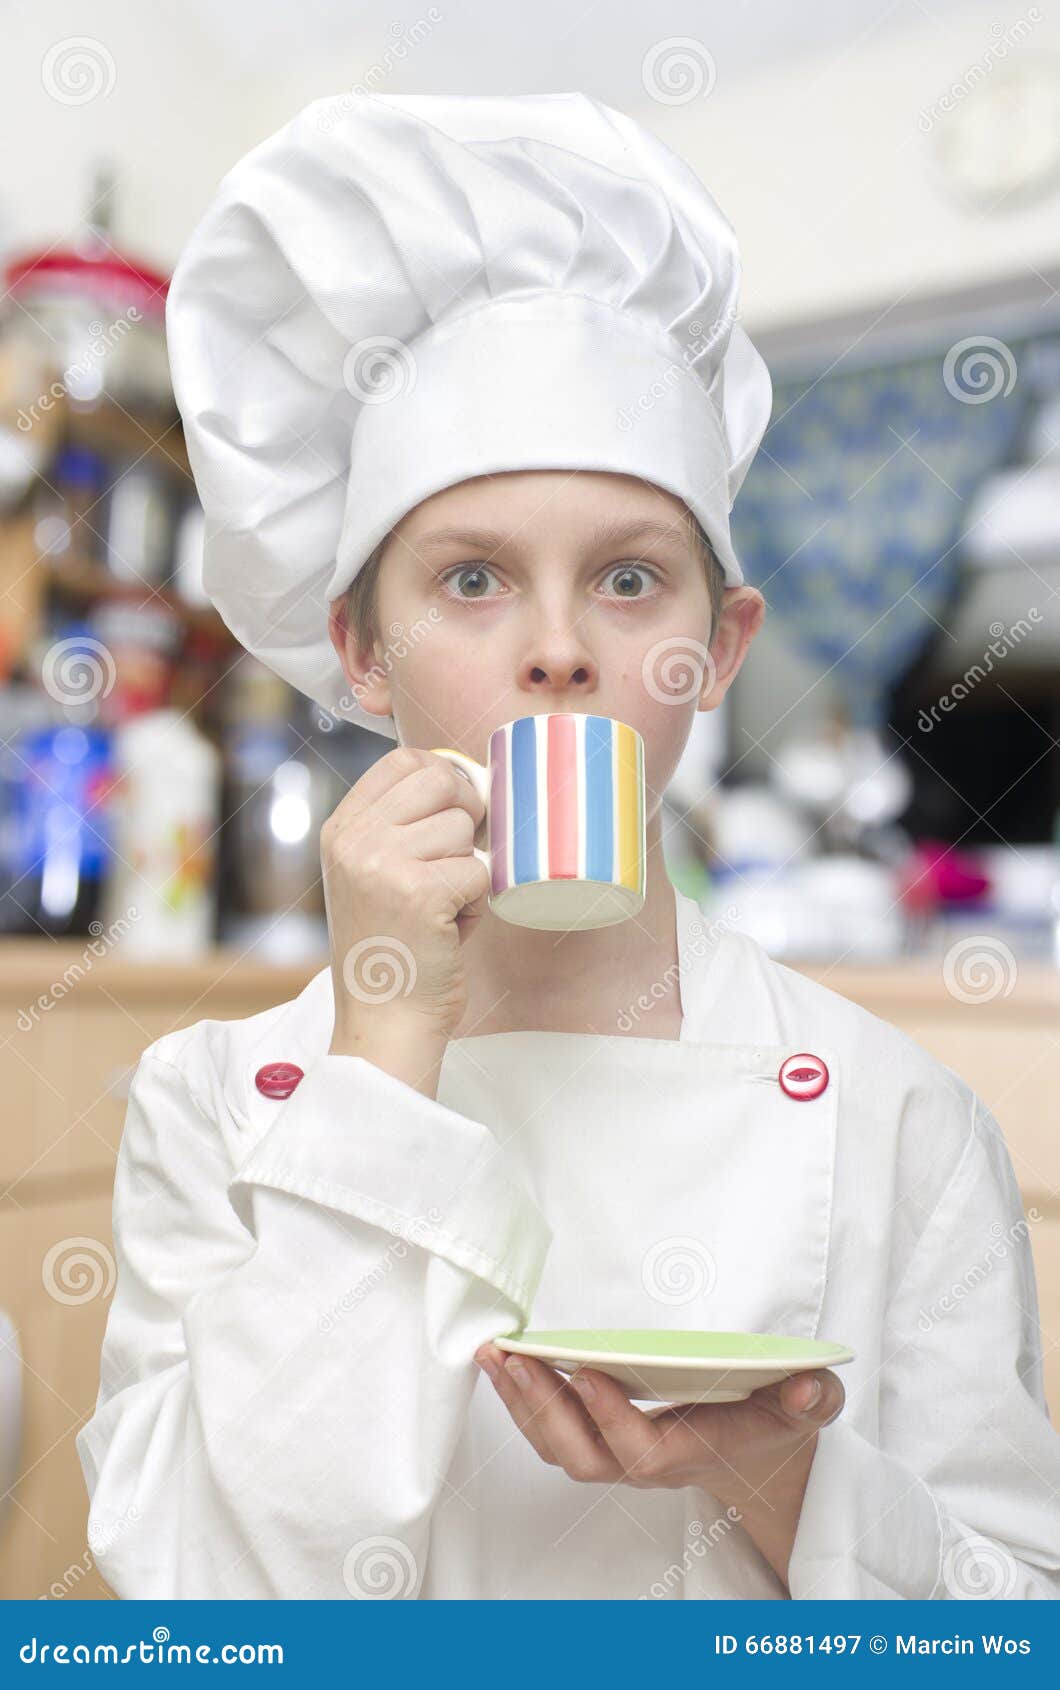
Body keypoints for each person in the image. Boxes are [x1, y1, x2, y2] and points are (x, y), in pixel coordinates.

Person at [76, 91, 1060, 1601]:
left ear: (718, 649)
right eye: (471, 579)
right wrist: (387, 1032)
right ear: (363, 655)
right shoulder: (214, 1104)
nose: (556, 648)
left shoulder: (900, 1120)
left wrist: (775, 1464)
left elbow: (1017, 1622)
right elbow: (207, 1613)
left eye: (627, 578)